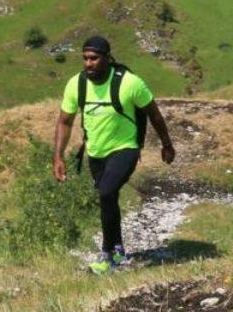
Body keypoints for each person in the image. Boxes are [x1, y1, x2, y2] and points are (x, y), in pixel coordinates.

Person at [52, 35, 175, 272]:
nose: (89, 63)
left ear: (108, 58)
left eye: (94, 58)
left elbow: (154, 114)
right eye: (85, 58)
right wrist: (58, 157)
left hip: (125, 148)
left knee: (106, 192)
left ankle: (106, 254)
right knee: (109, 198)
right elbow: (64, 122)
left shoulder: (130, 83)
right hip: (95, 152)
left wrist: (166, 145)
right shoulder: (76, 85)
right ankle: (118, 249)